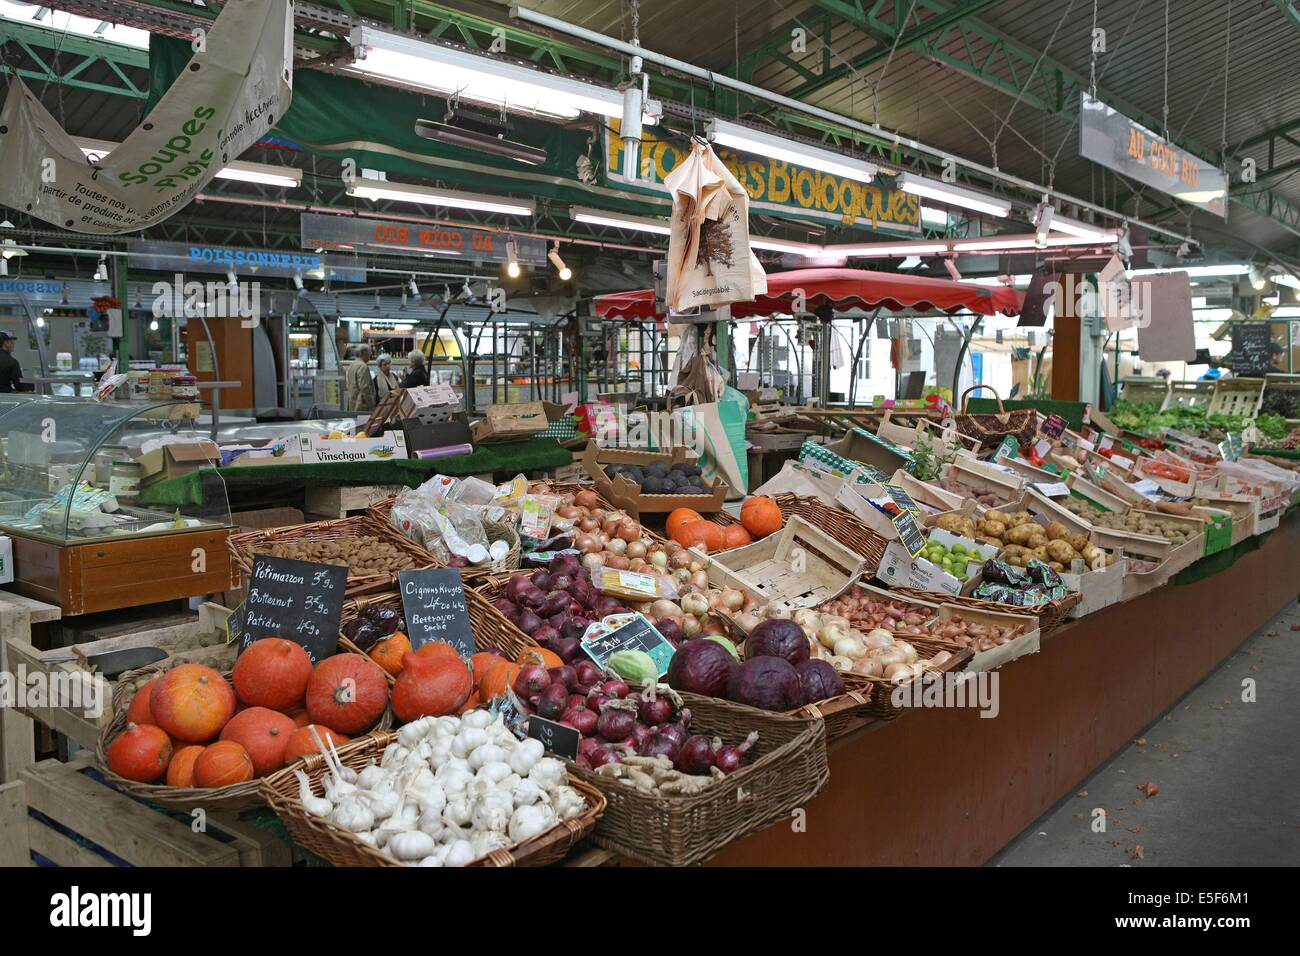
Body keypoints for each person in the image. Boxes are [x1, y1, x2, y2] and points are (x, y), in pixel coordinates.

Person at [346, 343, 376, 411]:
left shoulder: (352, 364)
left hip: (352, 402)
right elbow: (365, 387)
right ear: (364, 354)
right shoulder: (363, 366)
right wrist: (371, 406)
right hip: (361, 405)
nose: (370, 356)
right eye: (369, 354)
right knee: (363, 422)